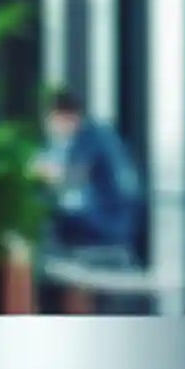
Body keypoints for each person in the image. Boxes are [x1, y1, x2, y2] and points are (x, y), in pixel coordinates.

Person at [35, 90, 144, 261]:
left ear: (68, 116)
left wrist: (44, 173)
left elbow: (73, 175)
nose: (51, 128)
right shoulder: (84, 137)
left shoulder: (92, 137)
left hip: (107, 225)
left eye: (53, 121)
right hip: (105, 222)